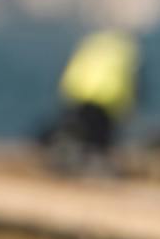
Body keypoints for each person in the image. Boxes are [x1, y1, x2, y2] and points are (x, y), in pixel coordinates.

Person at [40, 23, 141, 169]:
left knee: (78, 131)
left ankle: (71, 159)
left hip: (78, 94)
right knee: (99, 140)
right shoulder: (127, 49)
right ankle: (95, 164)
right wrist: (129, 106)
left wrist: (67, 93)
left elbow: (75, 68)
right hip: (108, 99)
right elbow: (130, 80)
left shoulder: (91, 43)